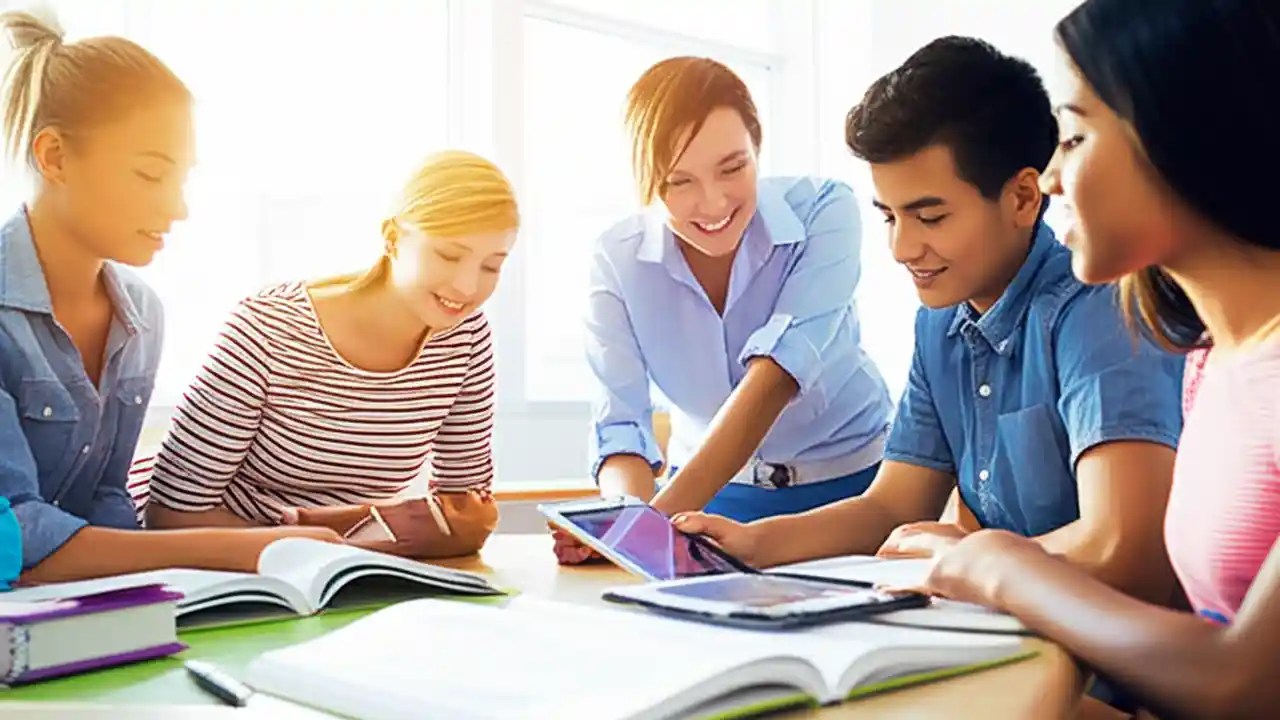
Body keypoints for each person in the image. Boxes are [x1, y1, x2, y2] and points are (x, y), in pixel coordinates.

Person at [674, 37, 1185, 606]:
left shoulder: (1095, 312)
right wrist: (750, 544)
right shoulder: (940, 325)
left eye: (930, 216)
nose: (901, 247)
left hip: (1107, 659)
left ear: (1022, 198)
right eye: (889, 216)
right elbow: (892, 505)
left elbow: (1126, 548)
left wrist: (966, 558)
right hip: (1003, 630)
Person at [913, 1, 1280, 717]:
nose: (1049, 179)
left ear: (1183, 130)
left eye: (1075, 137)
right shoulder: (1215, 358)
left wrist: (1005, 567)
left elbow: (1246, 683)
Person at [0, 10, 337, 584]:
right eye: (151, 175)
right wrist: (244, 548)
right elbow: (14, 538)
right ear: (54, 156)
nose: (178, 208)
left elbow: (106, 500)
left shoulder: (141, 316)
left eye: (183, 179)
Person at [556, 56, 893, 563]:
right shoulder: (616, 258)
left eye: (733, 168)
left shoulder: (824, 211)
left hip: (854, 488)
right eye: (678, 181)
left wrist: (644, 531)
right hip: (707, 500)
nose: (712, 203)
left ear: (758, 149)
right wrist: (624, 516)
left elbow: (780, 372)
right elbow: (621, 422)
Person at [135, 150, 514, 559]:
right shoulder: (268, 326)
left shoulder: (466, 337)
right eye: (449, 255)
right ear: (392, 238)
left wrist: (341, 540)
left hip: (344, 567)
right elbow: (171, 513)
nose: (466, 286)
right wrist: (330, 539)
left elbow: (468, 512)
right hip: (225, 562)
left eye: (491, 266)